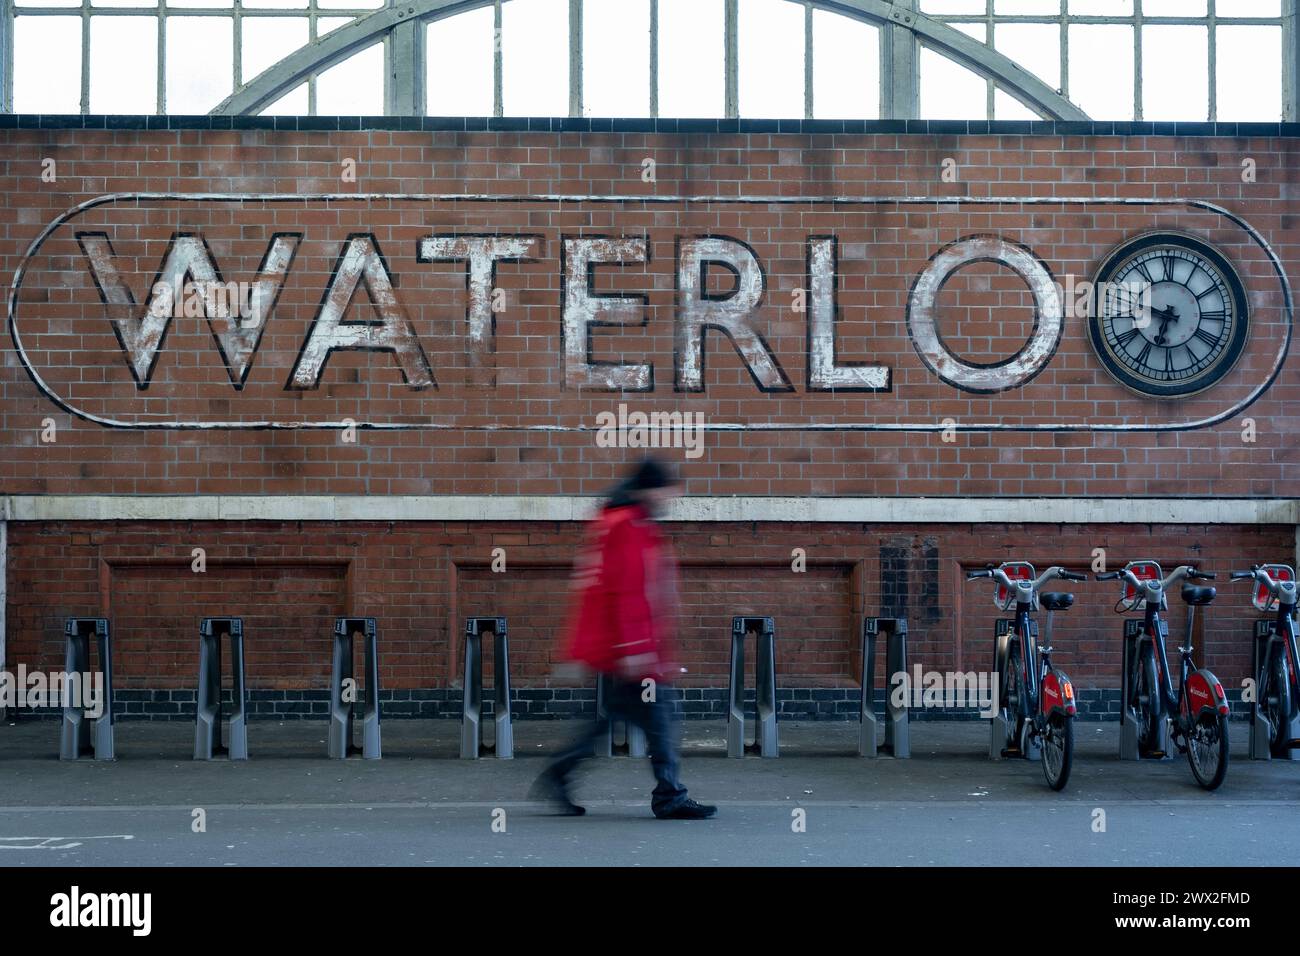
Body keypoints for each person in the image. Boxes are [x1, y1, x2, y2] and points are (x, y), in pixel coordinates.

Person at [530, 457, 717, 820]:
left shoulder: (620, 521)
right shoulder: (627, 526)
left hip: (618, 649)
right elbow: (628, 592)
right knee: (662, 717)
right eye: (666, 491)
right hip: (629, 651)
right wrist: (637, 651)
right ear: (651, 488)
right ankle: (670, 796)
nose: (669, 499)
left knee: (606, 720)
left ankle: (561, 772)